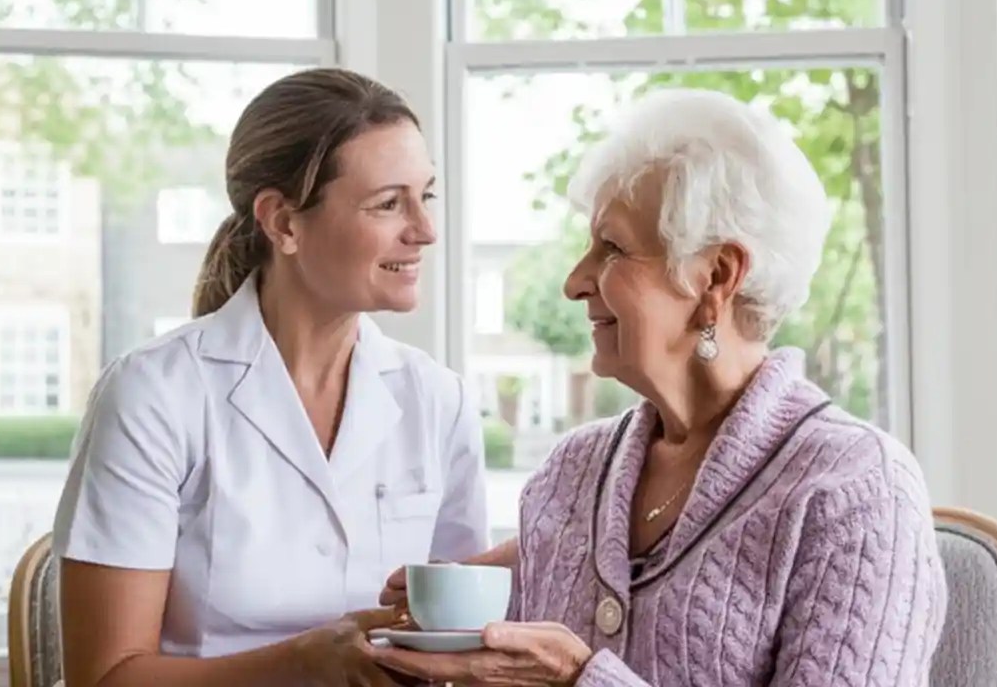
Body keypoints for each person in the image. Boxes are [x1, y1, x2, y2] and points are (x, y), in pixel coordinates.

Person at [373, 89, 948, 686]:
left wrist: (582, 680)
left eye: (613, 248)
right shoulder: (569, 475)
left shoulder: (855, 490)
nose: (574, 282)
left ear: (716, 277)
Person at [52, 67, 489, 687]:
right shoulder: (153, 394)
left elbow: (459, 638)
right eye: (389, 203)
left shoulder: (437, 400)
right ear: (283, 222)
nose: (425, 230)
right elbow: (106, 677)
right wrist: (304, 664)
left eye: (428, 196)